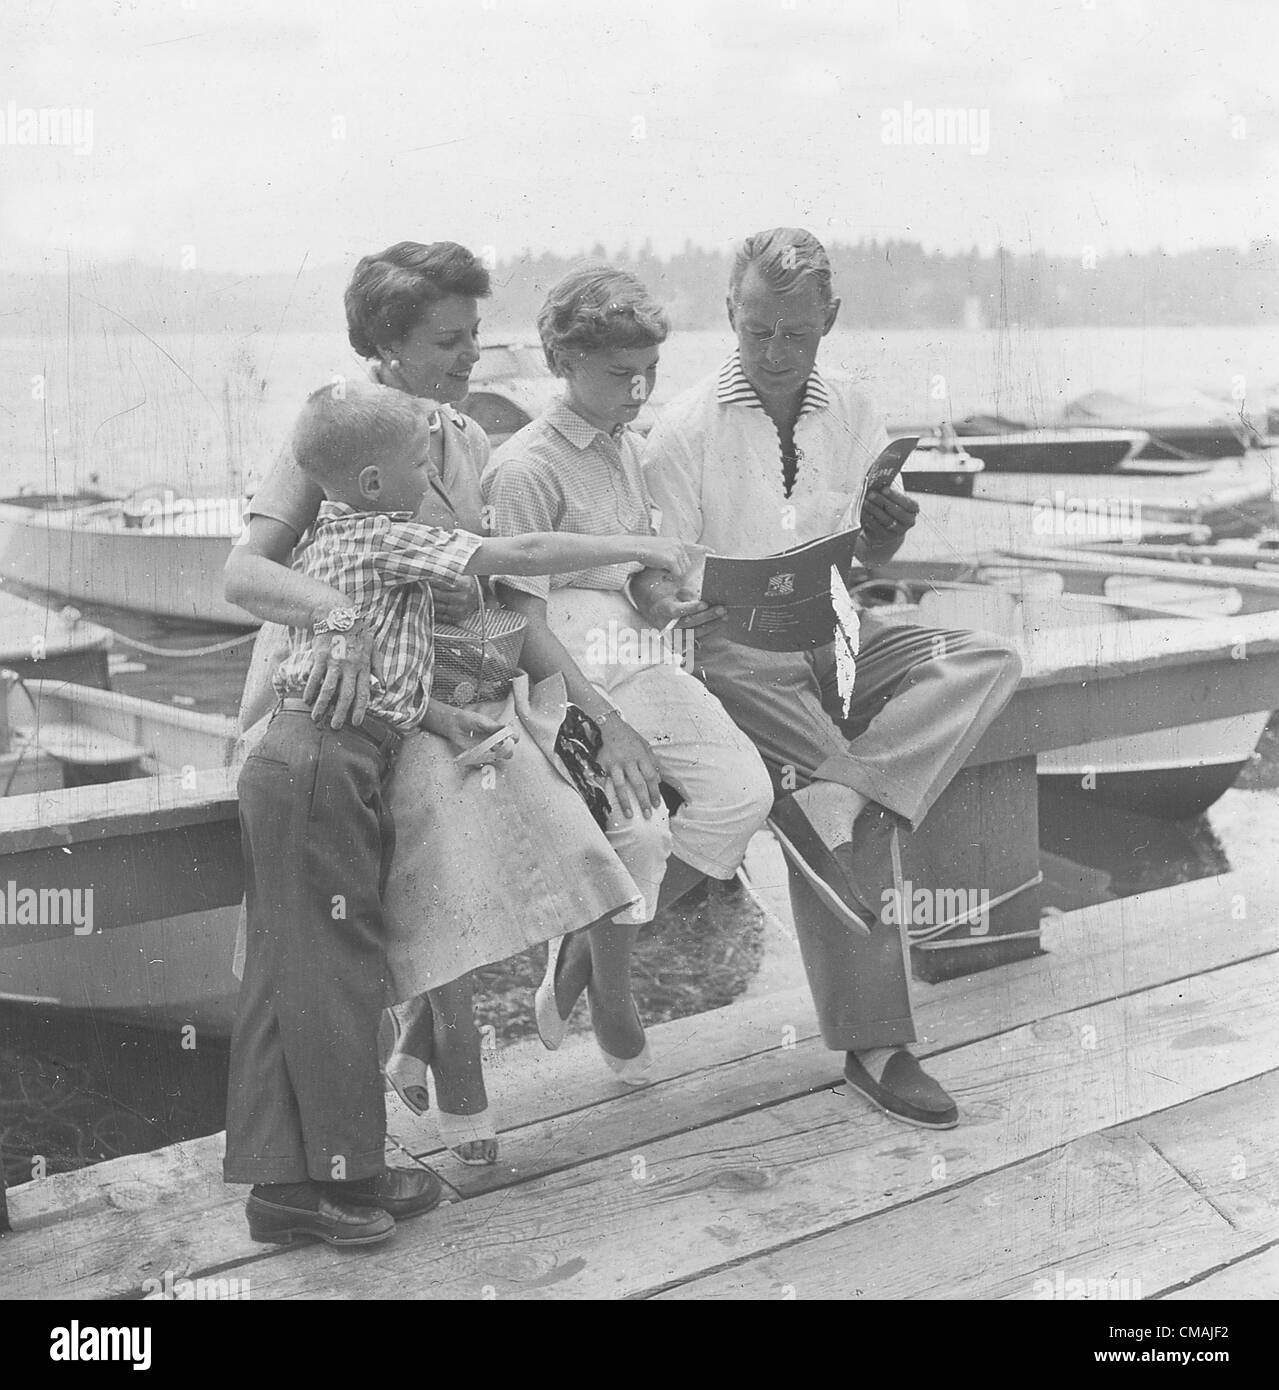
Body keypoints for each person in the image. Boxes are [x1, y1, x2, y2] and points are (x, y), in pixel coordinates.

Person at [226, 240, 668, 1166]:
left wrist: (585, 697)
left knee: (573, 813)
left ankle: (435, 1041)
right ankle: (457, 1069)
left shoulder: (463, 440)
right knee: (445, 819)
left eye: (475, 334)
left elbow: (495, 590)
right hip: (338, 694)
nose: (471, 356)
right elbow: (244, 572)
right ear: (385, 342)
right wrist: (340, 616)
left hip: (441, 683)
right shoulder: (340, 433)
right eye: (448, 339)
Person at [634, 227, 1024, 1130]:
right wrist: (671, 605)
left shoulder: (851, 408)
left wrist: (886, 528)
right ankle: (878, 1047)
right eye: (757, 330)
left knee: (985, 658)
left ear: (829, 322)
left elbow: (862, 556)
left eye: (796, 335)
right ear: (729, 313)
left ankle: (849, 786)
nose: (774, 353)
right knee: (846, 820)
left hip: (837, 631)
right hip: (741, 656)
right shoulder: (682, 431)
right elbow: (653, 571)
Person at [482, 266, 775, 1079]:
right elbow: (517, 618)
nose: (639, 389)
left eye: (649, 371)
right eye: (619, 373)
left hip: (633, 656)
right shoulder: (523, 469)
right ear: (561, 362)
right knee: (641, 831)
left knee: (740, 794)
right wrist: (605, 725)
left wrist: (674, 605)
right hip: (559, 673)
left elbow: (639, 577)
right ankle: (612, 989)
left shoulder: (629, 450)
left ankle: (588, 950)